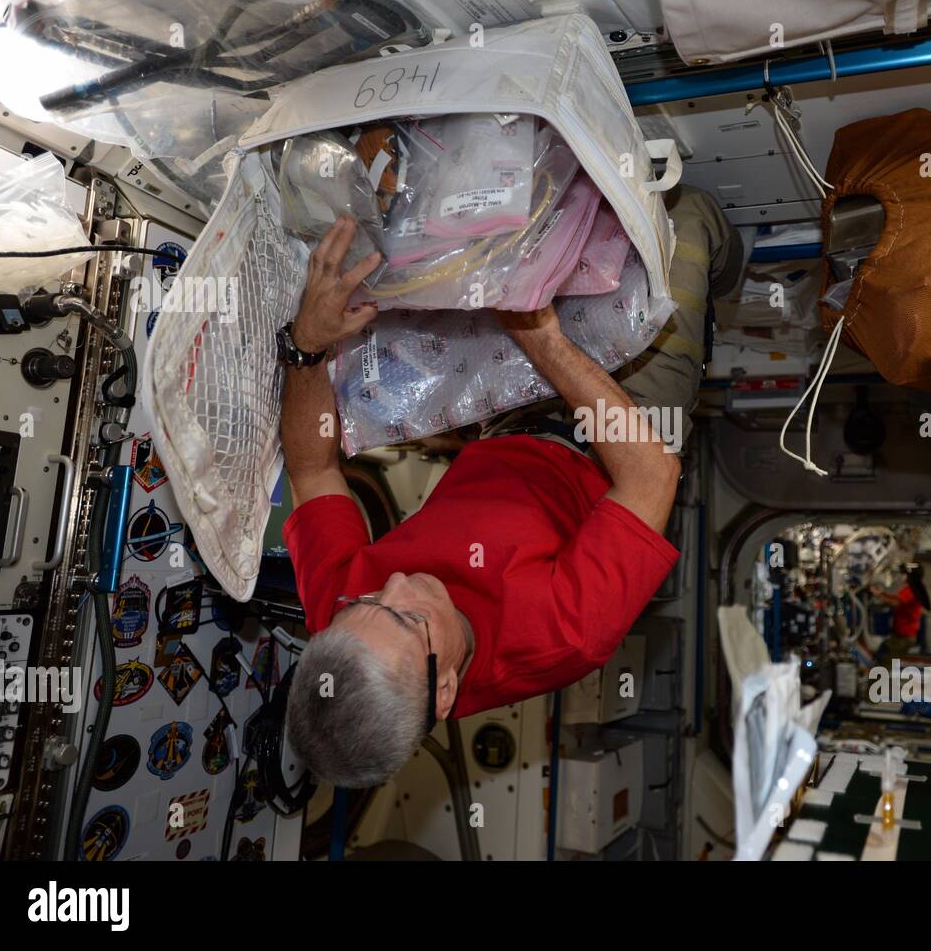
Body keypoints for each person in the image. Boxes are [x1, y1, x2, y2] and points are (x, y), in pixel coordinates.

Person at [282, 188, 740, 788]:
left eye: (366, 602)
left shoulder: (344, 626)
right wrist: (543, 341)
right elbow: (651, 475)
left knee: (521, 213)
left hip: (506, 410)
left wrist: (308, 347)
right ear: (444, 690)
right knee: (687, 215)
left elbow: (313, 470)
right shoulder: (563, 637)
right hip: (624, 433)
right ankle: (733, 283)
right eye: (409, 618)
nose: (390, 583)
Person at [871, 564, 931, 658]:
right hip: (901, 635)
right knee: (882, 651)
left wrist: (878, 595)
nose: (902, 576)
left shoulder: (912, 590)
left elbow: (895, 602)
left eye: (904, 574)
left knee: (884, 663)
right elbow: (895, 598)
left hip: (904, 637)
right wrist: (881, 593)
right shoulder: (912, 588)